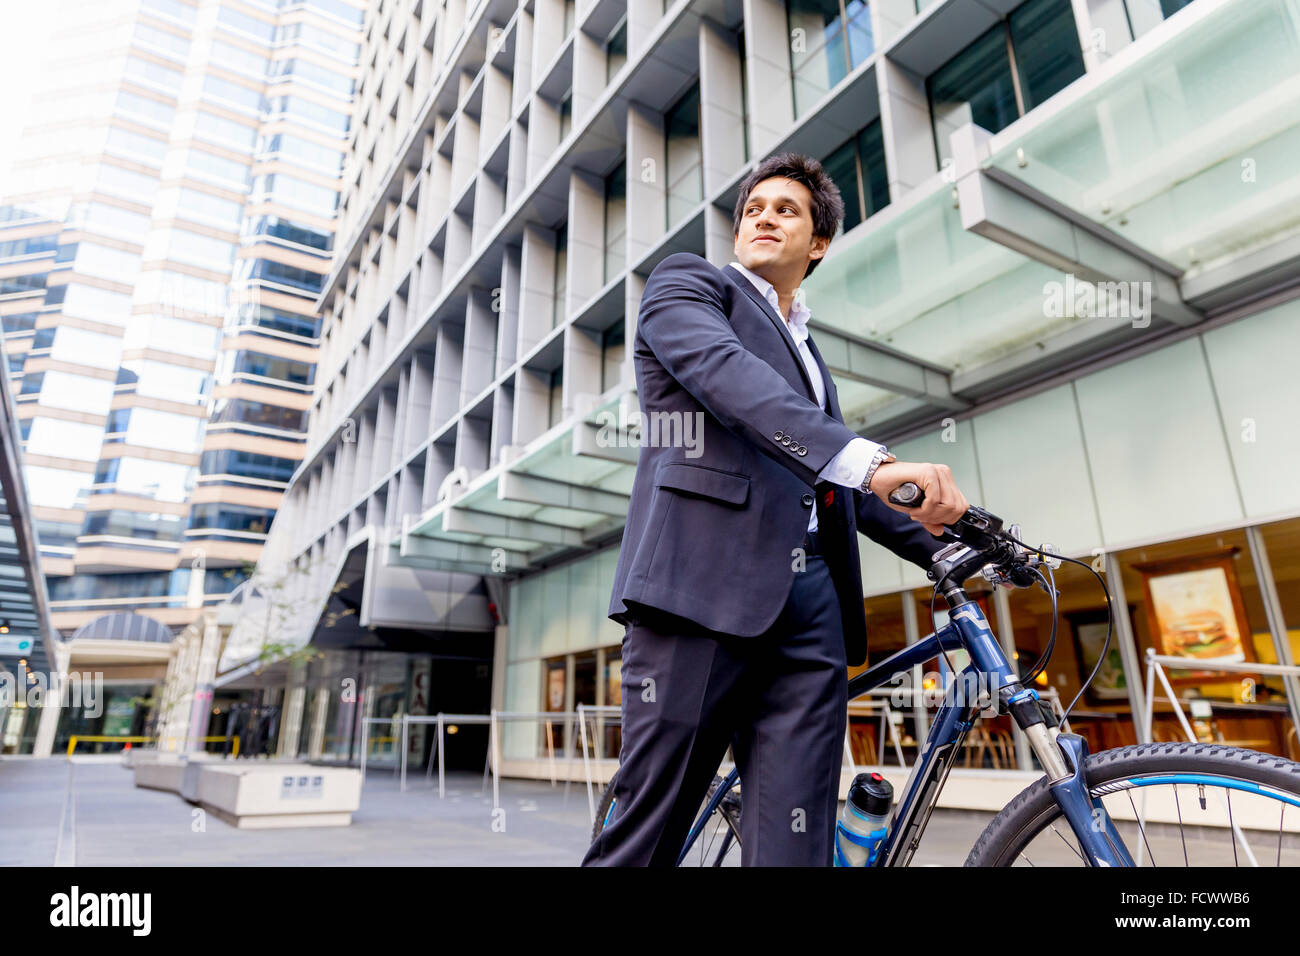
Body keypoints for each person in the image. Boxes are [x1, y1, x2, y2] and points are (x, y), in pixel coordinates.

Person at [581, 152, 971, 866]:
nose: (764, 217)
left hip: (813, 606)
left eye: (786, 210)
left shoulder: (810, 353)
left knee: (795, 844)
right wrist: (875, 463)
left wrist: (955, 538)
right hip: (700, 587)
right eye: (753, 209)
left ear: (818, 243)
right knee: (648, 835)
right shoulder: (688, 286)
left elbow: (837, 485)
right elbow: (730, 381)